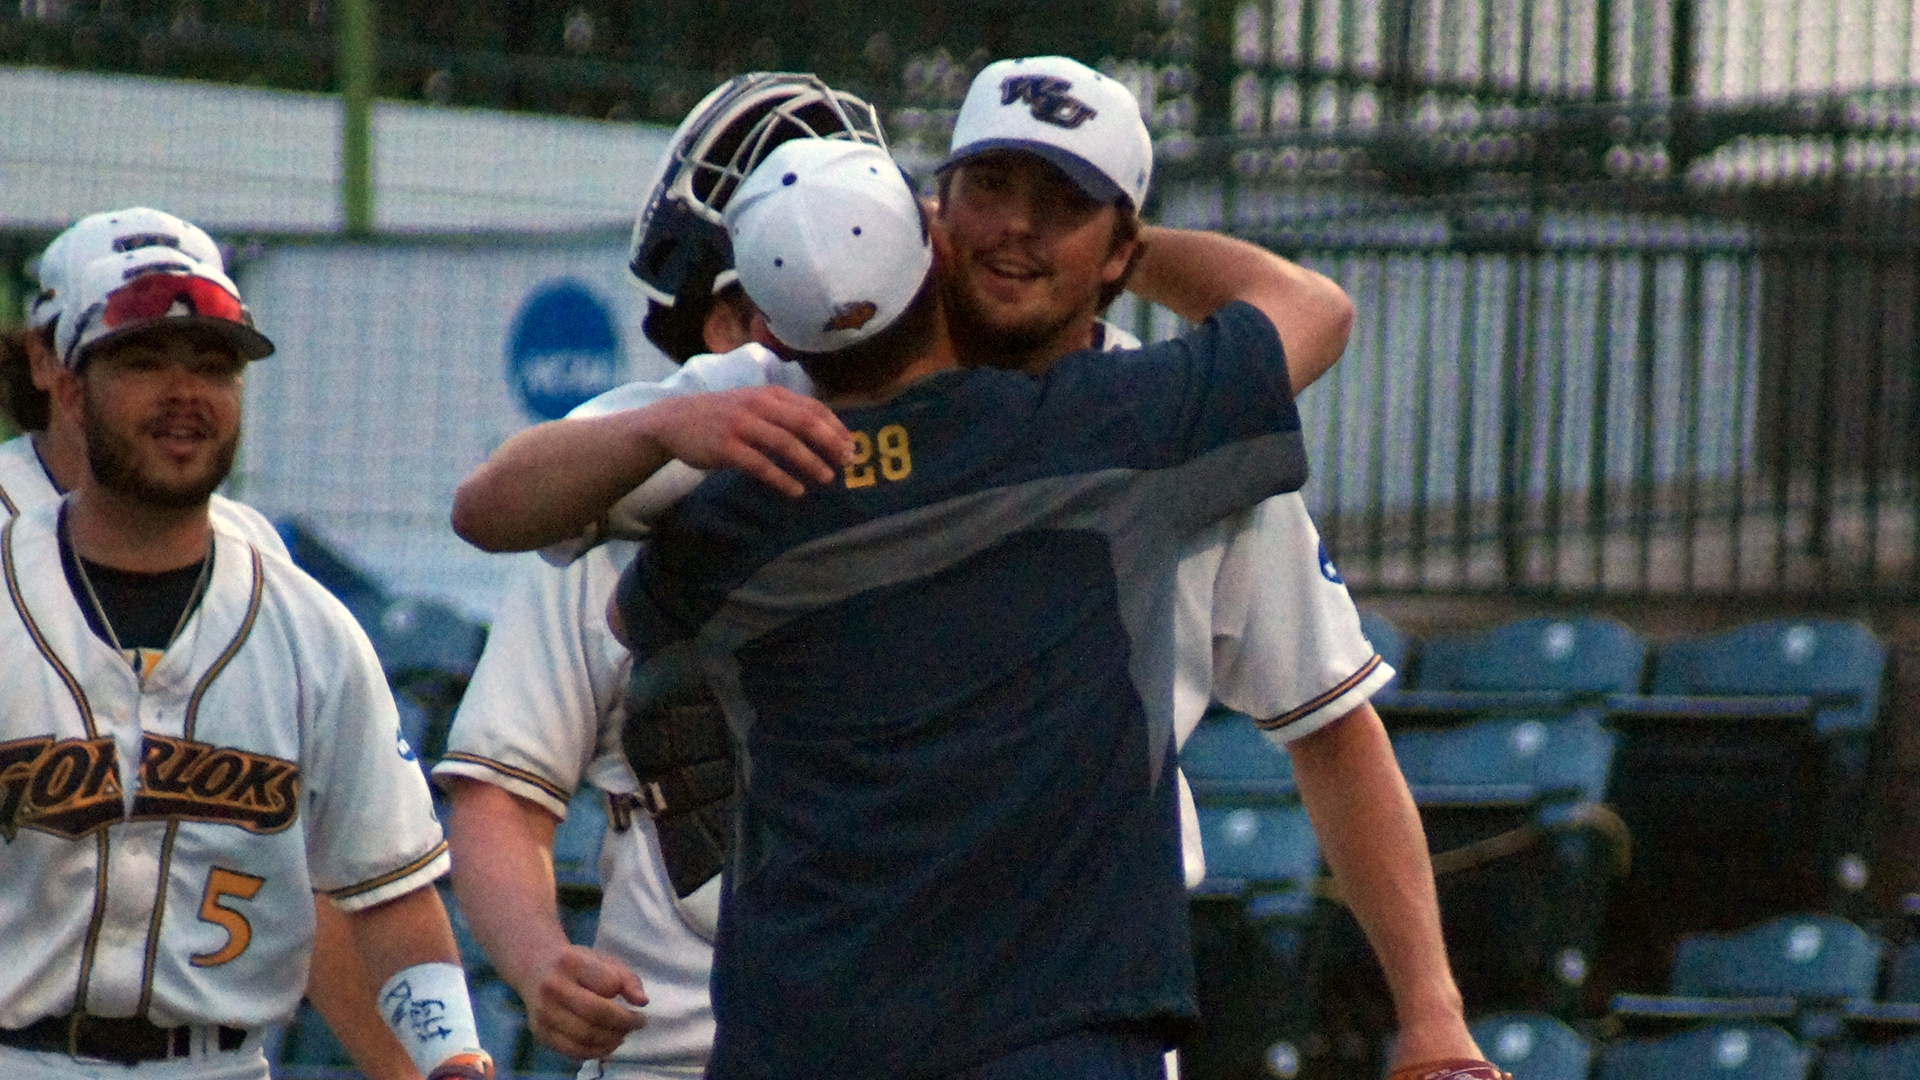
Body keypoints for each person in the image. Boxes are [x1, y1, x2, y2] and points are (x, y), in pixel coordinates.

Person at [451, 57, 1482, 1073]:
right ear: (934, 212)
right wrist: (669, 428)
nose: (1018, 226)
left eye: (1062, 202)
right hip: (755, 1023)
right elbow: (497, 506)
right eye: (991, 188)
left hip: (1031, 1017)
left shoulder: (1162, 428)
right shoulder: (749, 407)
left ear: (1117, 245)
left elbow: (1333, 731)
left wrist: (1433, 1015)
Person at [613, 133, 1317, 1080]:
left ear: (766, 329)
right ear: (934, 250)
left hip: (804, 1034)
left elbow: (531, 541)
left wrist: (662, 426)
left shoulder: (731, 516)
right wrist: (1118, 246)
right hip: (1056, 1032)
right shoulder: (1097, 429)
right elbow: (1313, 309)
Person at [432, 73, 881, 1078]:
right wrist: (540, 958)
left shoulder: (957, 467)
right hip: (674, 1056)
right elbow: (501, 795)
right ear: (725, 323)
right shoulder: (604, 496)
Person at [0, 241, 491, 1080]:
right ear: (71, 390)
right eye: (145, 360)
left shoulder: (308, 629)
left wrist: (452, 1059)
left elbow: (389, 893)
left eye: (216, 366)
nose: (186, 394)